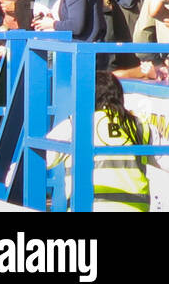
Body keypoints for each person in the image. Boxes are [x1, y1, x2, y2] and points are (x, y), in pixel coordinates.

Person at [44, 71, 151, 212]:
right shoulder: (139, 124)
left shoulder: (74, 125)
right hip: (135, 208)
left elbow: (40, 158)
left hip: (89, 207)